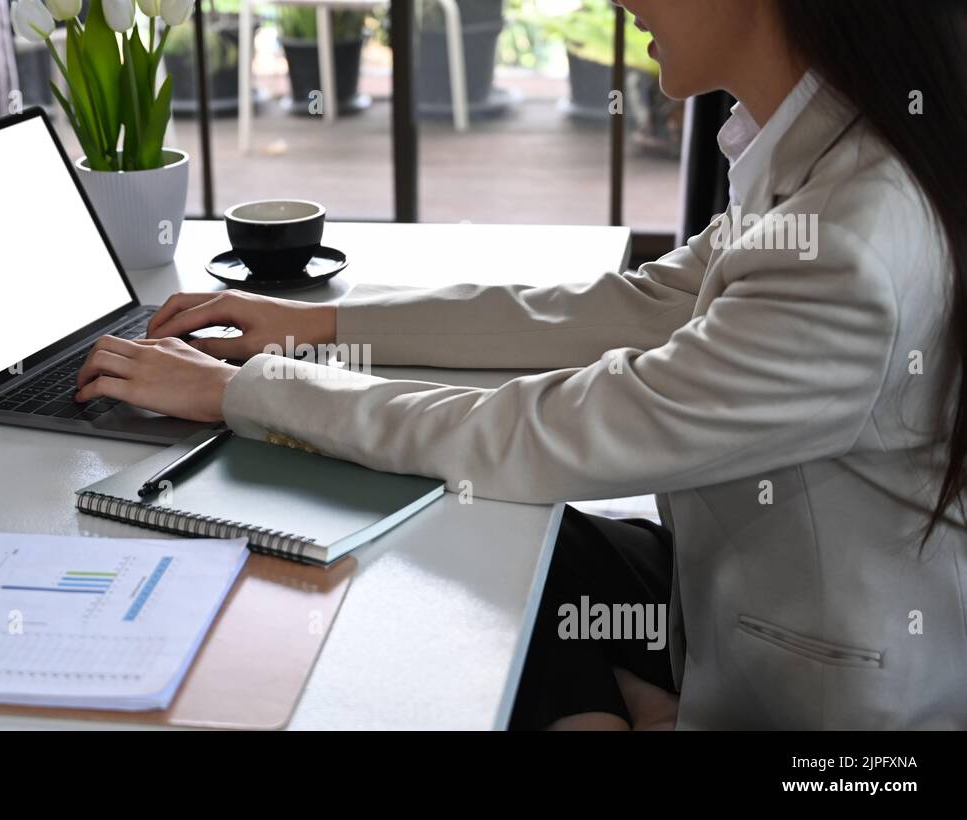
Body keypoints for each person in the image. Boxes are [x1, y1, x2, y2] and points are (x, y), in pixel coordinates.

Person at [73, 0, 967, 729]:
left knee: (471, 560)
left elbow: (547, 434)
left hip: (834, 716)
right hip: (726, 598)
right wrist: (316, 326)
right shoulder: (825, 151)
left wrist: (242, 391)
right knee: (509, 549)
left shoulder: (845, 249)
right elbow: (628, 307)